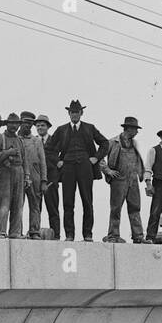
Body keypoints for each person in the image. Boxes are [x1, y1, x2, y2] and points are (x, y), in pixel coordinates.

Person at [51, 98, 109, 242]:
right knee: (67, 202)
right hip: (67, 167)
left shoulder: (90, 128)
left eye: (77, 112)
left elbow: (105, 143)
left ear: (81, 113)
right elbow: (49, 149)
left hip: (85, 166)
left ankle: (87, 234)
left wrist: (95, 158)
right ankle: (69, 235)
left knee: (87, 201)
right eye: (72, 112)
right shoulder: (61, 130)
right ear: (68, 113)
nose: (74, 115)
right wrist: (57, 161)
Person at [100, 116, 146, 243]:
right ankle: (113, 236)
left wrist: (141, 175)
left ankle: (138, 236)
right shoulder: (112, 142)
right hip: (118, 180)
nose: (137, 132)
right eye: (135, 129)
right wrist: (108, 171)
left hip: (133, 180)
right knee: (116, 208)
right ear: (128, 129)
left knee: (135, 208)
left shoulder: (134, 143)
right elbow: (99, 158)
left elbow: (137, 161)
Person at [0, 112, 26, 238]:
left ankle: (15, 232)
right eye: (11, 123)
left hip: (19, 172)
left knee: (18, 204)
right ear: (6, 124)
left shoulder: (19, 140)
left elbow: (24, 160)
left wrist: (27, 176)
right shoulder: (0, 138)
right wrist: (8, 153)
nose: (14, 126)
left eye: (16, 124)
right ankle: (0, 231)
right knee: (4, 203)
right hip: (4, 172)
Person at [18, 112, 47, 239]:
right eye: (25, 122)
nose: (27, 125)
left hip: (35, 176)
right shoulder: (15, 138)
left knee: (35, 205)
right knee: (17, 205)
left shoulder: (36, 141)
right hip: (18, 175)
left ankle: (34, 231)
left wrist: (44, 180)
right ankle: (16, 231)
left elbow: (43, 162)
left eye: (30, 123)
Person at [35, 113, 61, 238]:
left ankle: (56, 235)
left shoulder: (54, 140)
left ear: (48, 127)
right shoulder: (33, 141)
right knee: (36, 209)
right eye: (38, 125)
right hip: (37, 179)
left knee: (53, 209)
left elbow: (61, 155)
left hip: (51, 179)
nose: (40, 128)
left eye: (42, 125)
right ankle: (35, 233)